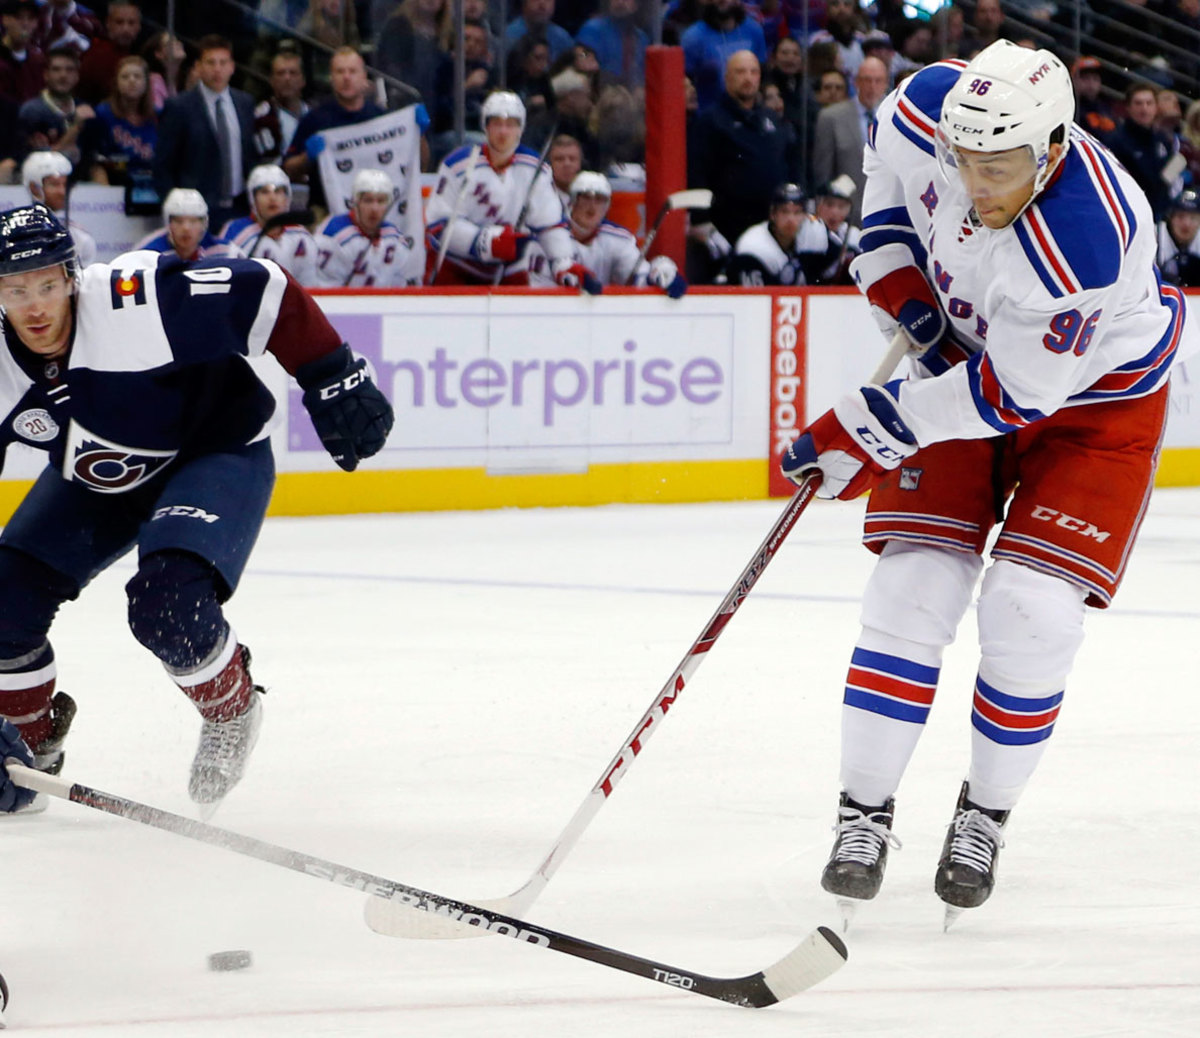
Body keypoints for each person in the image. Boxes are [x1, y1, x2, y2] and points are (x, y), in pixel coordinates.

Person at [780, 41, 1193, 927]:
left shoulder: (1082, 237)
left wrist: (870, 426)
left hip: (1092, 404)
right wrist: (890, 261)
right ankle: (863, 814)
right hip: (963, 359)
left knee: (1029, 610)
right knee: (911, 586)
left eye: (1000, 167)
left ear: (1049, 150)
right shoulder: (932, 107)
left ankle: (985, 814)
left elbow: (1009, 398)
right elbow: (885, 167)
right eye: (964, 163)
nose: (976, 185)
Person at [0, 203, 393, 817]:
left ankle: (233, 709)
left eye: (48, 283)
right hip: (97, 477)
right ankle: (26, 750)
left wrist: (332, 373)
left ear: (72, 276)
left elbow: (266, 291)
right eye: (15, 289)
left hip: (213, 451)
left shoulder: (133, 303)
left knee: (167, 604)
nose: (35, 307)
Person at [424, 90, 595, 290]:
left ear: (520, 129)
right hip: (455, 267)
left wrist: (563, 264)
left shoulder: (535, 168)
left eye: (511, 124)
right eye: (496, 123)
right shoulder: (457, 165)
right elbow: (438, 226)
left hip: (507, 268)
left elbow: (550, 224)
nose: (503, 132)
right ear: (485, 127)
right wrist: (486, 242)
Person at [687, 49, 798, 279]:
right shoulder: (711, 121)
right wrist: (702, 223)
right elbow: (697, 173)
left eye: (753, 72)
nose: (748, 78)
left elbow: (789, 166)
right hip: (727, 230)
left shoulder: (772, 119)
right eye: (740, 72)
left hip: (772, 230)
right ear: (727, 77)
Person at [154, 34, 258, 230]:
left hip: (240, 207)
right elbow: (163, 165)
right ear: (199, 67)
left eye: (223, 62)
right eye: (210, 63)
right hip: (195, 211)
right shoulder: (180, 106)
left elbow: (250, 155)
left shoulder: (245, 103)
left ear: (232, 67)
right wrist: (175, 208)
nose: (217, 69)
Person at [527, 171, 685, 294]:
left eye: (600, 200)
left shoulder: (618, 238)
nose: (592, 206)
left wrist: (658, 272)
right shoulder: (550, 234)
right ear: (573, 201)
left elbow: (638, 278)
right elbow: (538, 287)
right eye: (586, 197)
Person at [812, 54, 889, 226]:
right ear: (856, 82)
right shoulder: (831, 117)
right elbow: (823, 174)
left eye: (878, 81)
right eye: (867, 80)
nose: (872, 87)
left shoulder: (894, 117)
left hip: (885, 211)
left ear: (886, 84)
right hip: (845, 216)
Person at [313, 168, 422, 287]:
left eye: (381, 201)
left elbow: (402, 289)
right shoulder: (332, 235)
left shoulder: (395, 240)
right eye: (368, 201)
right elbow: (322, 290)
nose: (374, 209)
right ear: (355, 202)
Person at [720, 181, 842, 286]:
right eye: (784, 212)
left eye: (797, 213)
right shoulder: (753, 246)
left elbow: (841, 267)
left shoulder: (816, 232)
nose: (791, 219)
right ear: (773, 215)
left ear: (805, 215)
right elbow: (756, 301)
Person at [221, 163, 318, 285]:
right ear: (253, 198)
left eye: (278, 191)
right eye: (264, 192)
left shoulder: (301, 236)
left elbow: (309, 286)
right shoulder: (235, 233)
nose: (272, 198)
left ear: (287, 197)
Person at [78, 53, 156, 185]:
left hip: (149, 185)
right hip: (113, 183)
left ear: (146, 83)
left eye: (137, 76)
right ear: (116, 83)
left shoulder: (157, 116)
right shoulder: (102, 114)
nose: (131, 80)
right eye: (125, 77)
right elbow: (92, 157)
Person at [1107, 82, 1176, 222]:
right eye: (1138, 103)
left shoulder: (1163, 140)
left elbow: (1168, 177)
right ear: (1128, 107)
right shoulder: (1116, 141)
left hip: (1161, 215)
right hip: (1131, 215)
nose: (1144, 109)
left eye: (1149, 103)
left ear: (1156, 107)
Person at [17, 45, 93, 163]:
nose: (63, 75)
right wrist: (75, 128)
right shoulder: (32, 111)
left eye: (69, 70)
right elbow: (40, 162)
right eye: (56, 69)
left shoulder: (86, 109)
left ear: (77, 76)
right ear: (46, 75)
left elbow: (92, 159)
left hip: (81, 179)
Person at [20, 149, 95, 267]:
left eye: (65, 184)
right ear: (34, 188)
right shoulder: (15, 235)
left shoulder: (81, 238)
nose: (62, 192)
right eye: (54, 184)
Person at [135, 187, 244, 261]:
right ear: (168, 223)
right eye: (178, 221)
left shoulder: (227, 252)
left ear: (204, 224)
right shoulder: (147, 254)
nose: (186, 228)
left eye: (193, 221)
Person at [76, 0, 140, 105]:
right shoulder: (97, 55)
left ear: (138, 27)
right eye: (119, 22)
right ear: (108, 23)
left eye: (131, 23)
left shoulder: (134, 55)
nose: (125, 29)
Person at [253, 47, 309, 164]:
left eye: (293, 73)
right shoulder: (262, 117)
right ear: (271, 80)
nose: (287, 78)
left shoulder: (313, 112)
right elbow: (269, 166)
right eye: (280, 73)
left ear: (303, 80)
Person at [810, 174, 861, 284]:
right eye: (829, 205)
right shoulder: (810, 229)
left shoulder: (853, 234)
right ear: (818, 205)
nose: (834, 212)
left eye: (841, 206)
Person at [0, 0, 45, 105]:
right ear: (5, 20)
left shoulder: (39, 60)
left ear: (36, 23)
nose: (25, 24)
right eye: (18, 18)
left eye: (31, 18)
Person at [1156, 186, 1200, 288]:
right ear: (1170, 218)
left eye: (1193, 218)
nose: (1186, 224)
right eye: (1180, 216)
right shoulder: (1155, 236)